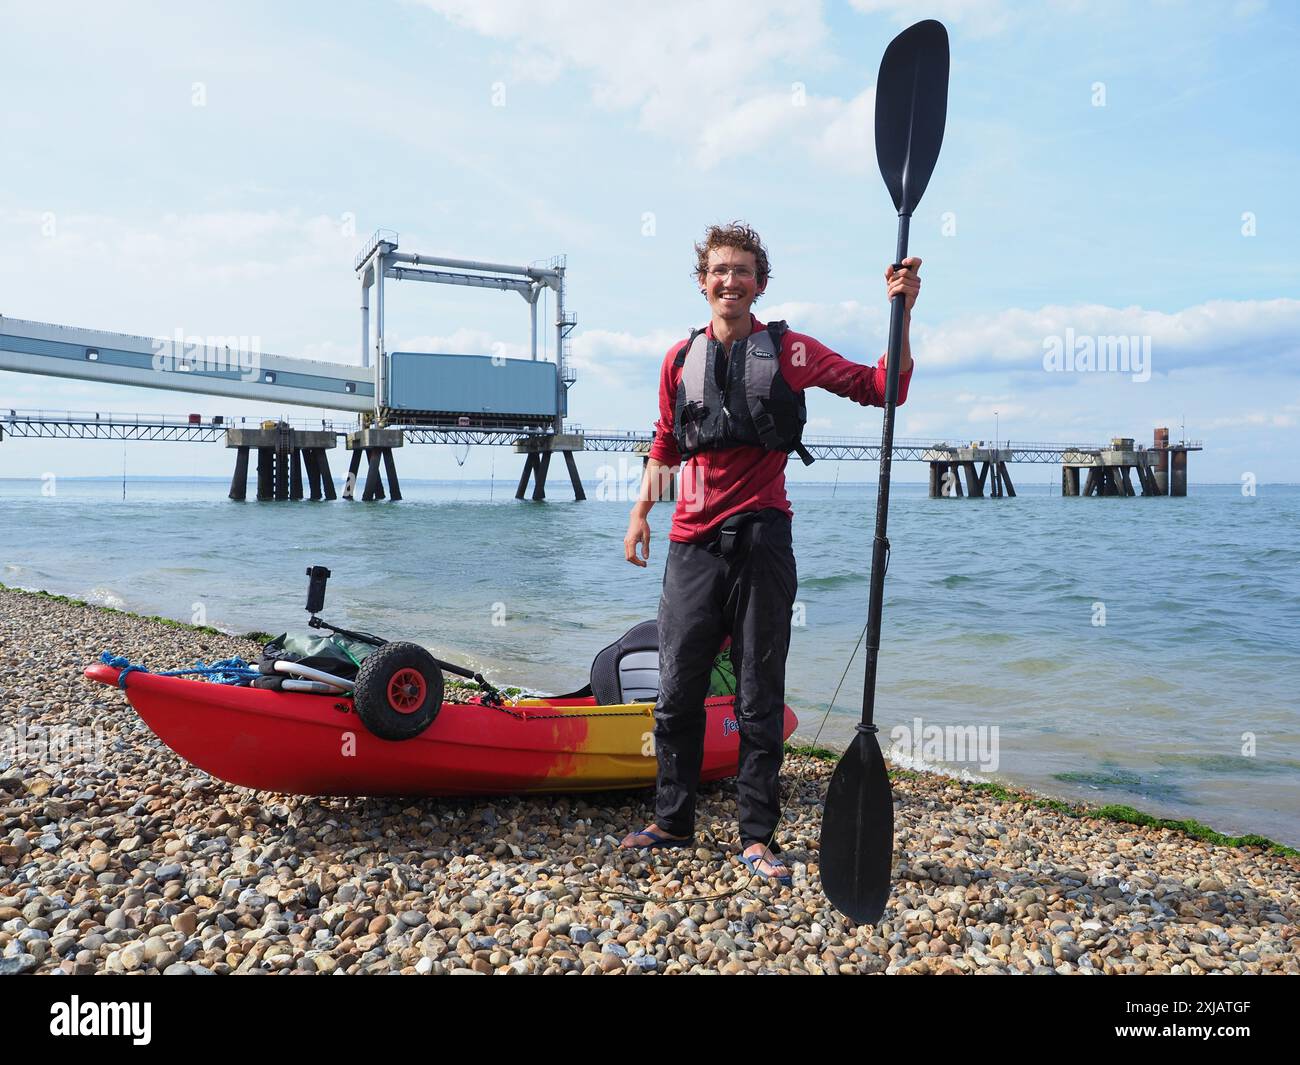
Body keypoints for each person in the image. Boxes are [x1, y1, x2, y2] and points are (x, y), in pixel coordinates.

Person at [619, 221, 921, 884]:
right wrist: (641, 512)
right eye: (719, 270)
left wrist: (902, 310)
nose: (731, 280)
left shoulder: (791, 352)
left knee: (759, 697)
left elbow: (883, 387)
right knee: (676, 693)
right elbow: (667, 443)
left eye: (744, 271)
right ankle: (672, 821)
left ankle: (757, 837)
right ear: (703, 281)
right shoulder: (678, 359)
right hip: (691, 545)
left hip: (762, 542)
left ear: (760, 283)